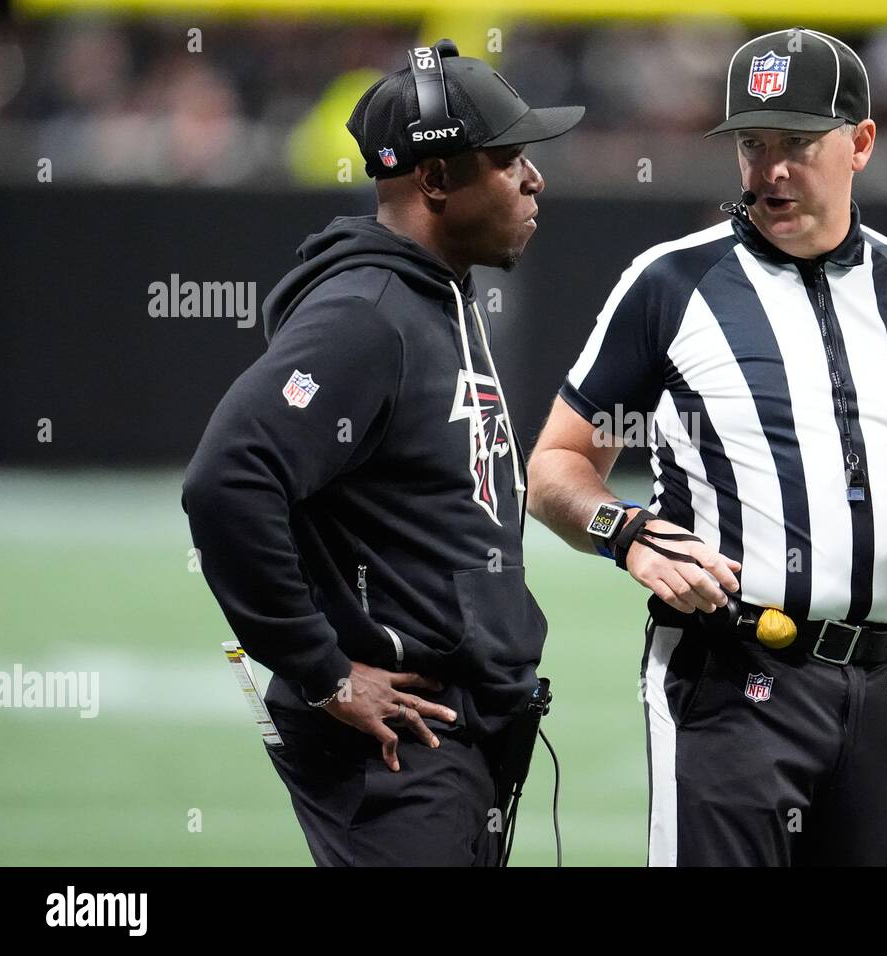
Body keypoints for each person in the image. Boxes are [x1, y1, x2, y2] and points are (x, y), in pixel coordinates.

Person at [526, 27, 887, 866]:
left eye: (797, 142)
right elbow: (553, 466)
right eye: (752, 145)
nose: (771, 170)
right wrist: (624, 531)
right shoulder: (671, 283)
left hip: (877, 684)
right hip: (727, 675)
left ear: (860, 143)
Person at [182, 40, 582, 866]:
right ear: (435, 180)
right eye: (507, 160)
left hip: (449, 731)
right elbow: (228, 480)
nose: (534, 179)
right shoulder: (367, 314)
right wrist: (322, 669)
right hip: (396, 743)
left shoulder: (434, 294)